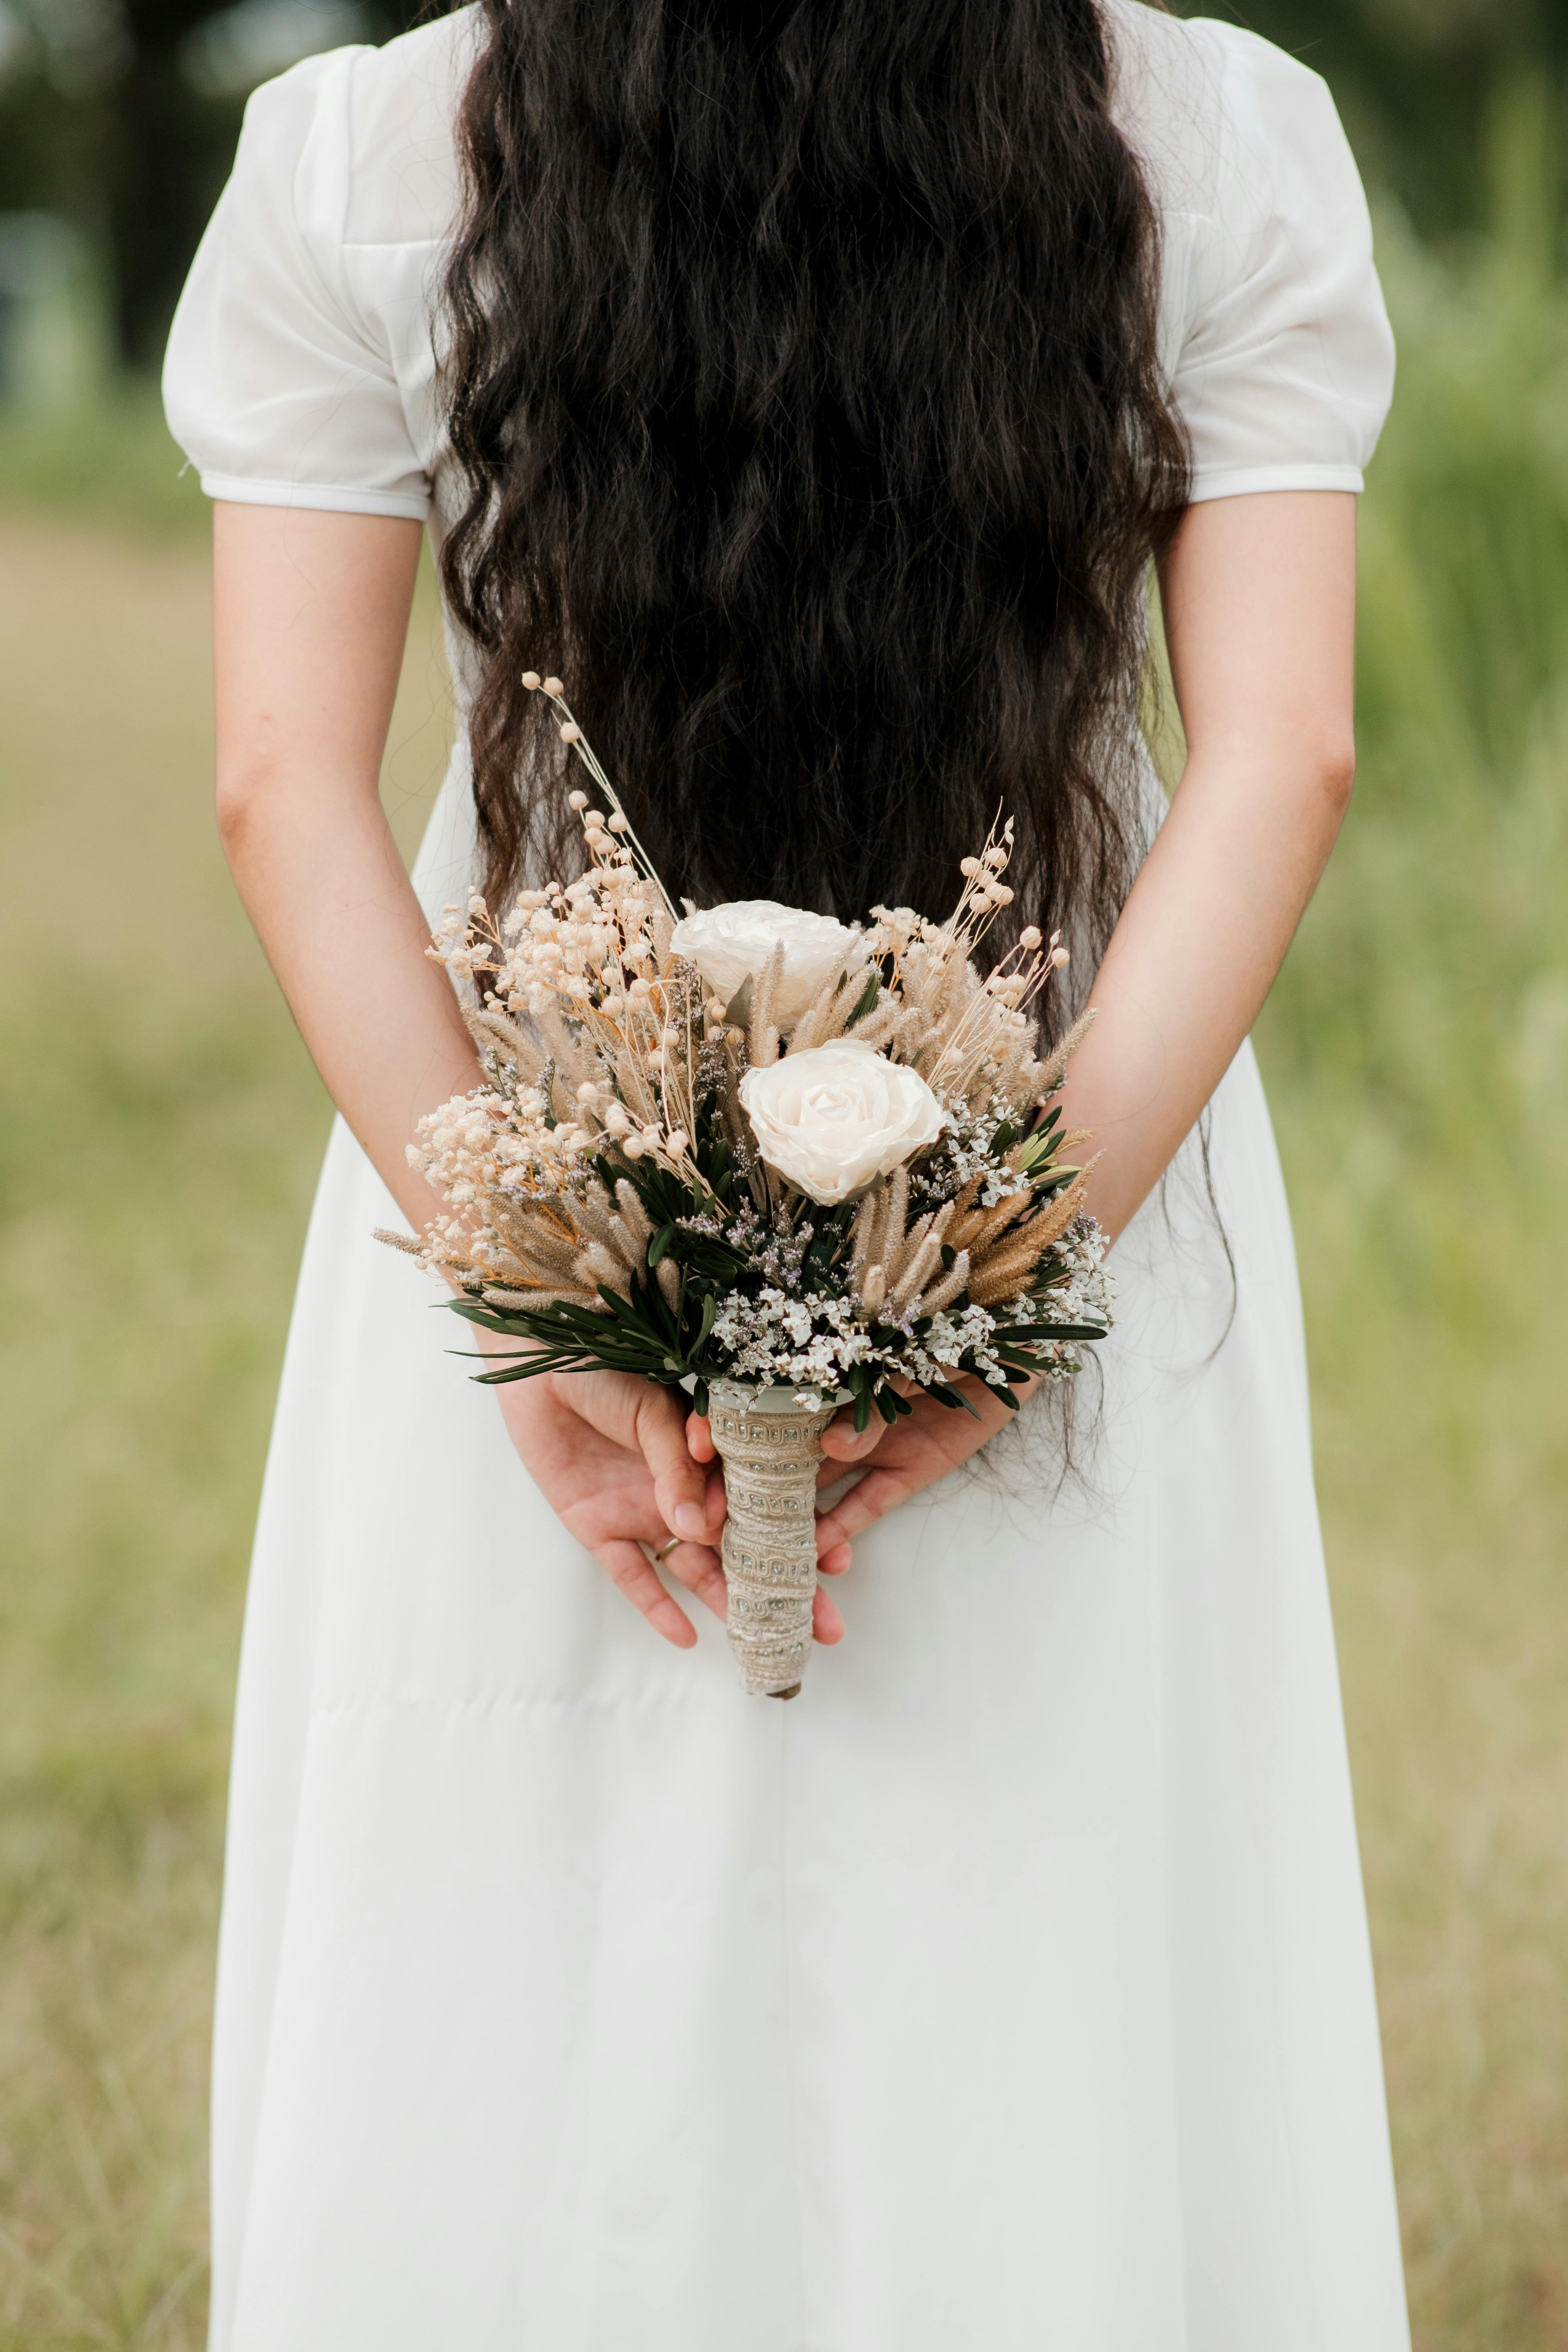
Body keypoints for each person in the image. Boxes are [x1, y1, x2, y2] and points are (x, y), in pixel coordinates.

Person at [163, 0, 1408, 2343]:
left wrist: (536, 1296)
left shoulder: (358, 161)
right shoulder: (1225, 142)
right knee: (1045, 1951)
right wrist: (1000, 1264)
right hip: (1075, 1124)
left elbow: (281, 785)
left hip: (509, 1116)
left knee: (523, 1961)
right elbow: (1285, 757)